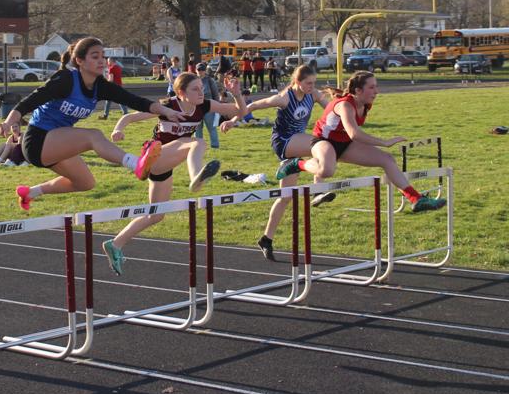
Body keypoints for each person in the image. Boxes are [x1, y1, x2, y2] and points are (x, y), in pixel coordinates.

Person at [0, 37, 188, 211]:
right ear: (79, 61)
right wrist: (7, 122)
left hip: (60, 144)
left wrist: (166, 111)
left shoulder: (100, 86)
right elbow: (29, 102)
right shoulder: (65, 79)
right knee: (93, 135)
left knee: (85, 183)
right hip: (38, 141)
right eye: (95, 56)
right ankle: (136, 164)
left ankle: (30, 192)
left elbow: (135, 101)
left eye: (103, 57)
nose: (101, 61)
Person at [102, 73, 248, 275]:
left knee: (156, 215)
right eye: (195, 89)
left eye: (201, 88)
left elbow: (240, 111)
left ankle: (115, 244)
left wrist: (237, 94)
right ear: (180, 93)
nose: (201, 93)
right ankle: (196, 176)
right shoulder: (167, 105)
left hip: (165, 164)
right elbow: (130, 116)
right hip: (154, 155)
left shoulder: (204, 105)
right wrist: (118, 130)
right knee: (197, 142)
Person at [276, 71, 447, 213]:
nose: (376, 91)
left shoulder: (365, 104)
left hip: (344, 144)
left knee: (387, 160)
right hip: (323, 141)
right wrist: (384, 142)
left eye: (376, 86)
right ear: (358, 90)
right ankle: (296, 164)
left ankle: (416, 199)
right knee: (327, 171)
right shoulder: (345, 105)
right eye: (371, 87)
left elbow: (350, 137)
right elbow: (354, 133)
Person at [220, 65, 330, 260]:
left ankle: (266, 238)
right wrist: (234, 120)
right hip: (283, 142)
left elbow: (330, 108)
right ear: (297, 82)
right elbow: (252, 106)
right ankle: (318, 189)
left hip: (296, 143)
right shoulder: (284, 98)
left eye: (314, 83)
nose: (312, 87)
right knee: (320, 145)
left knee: (285, 196)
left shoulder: (313, 94)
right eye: (308, 83)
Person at [193, 62, 221, 148]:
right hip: (196, 108)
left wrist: (217, 107)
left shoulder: (210, 80)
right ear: (195, 70)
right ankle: (198, 145)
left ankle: (215, 145)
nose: (200, 71)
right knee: (197, 129)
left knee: (211, 128)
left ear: (205, 70)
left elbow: (215, 94)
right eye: (199, 70)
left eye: (202, 70)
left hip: (209, 108)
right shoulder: (192, 81)